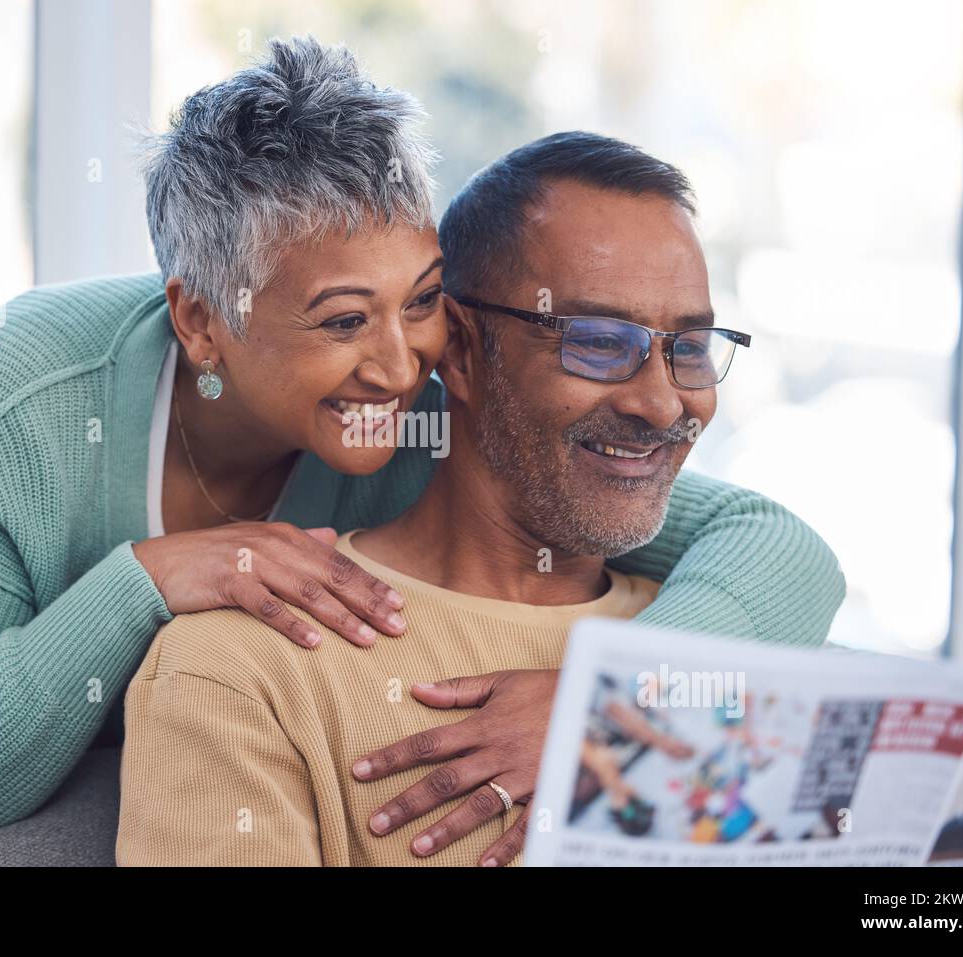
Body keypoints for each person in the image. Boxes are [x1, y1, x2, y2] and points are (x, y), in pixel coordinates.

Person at [0, 38, 841, 845]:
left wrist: (626, 694)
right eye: (339, 320)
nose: (399, 362)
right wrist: (148, 579)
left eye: (420, 302)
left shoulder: (421, 394)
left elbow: (768, 545)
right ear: (199, 319)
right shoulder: (26, 390)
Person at [116, 131, 845, 866]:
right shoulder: (239, 672)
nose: (661, 404)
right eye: (596, 341)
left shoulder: (754, 649)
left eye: (688, 348)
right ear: (462, 352)